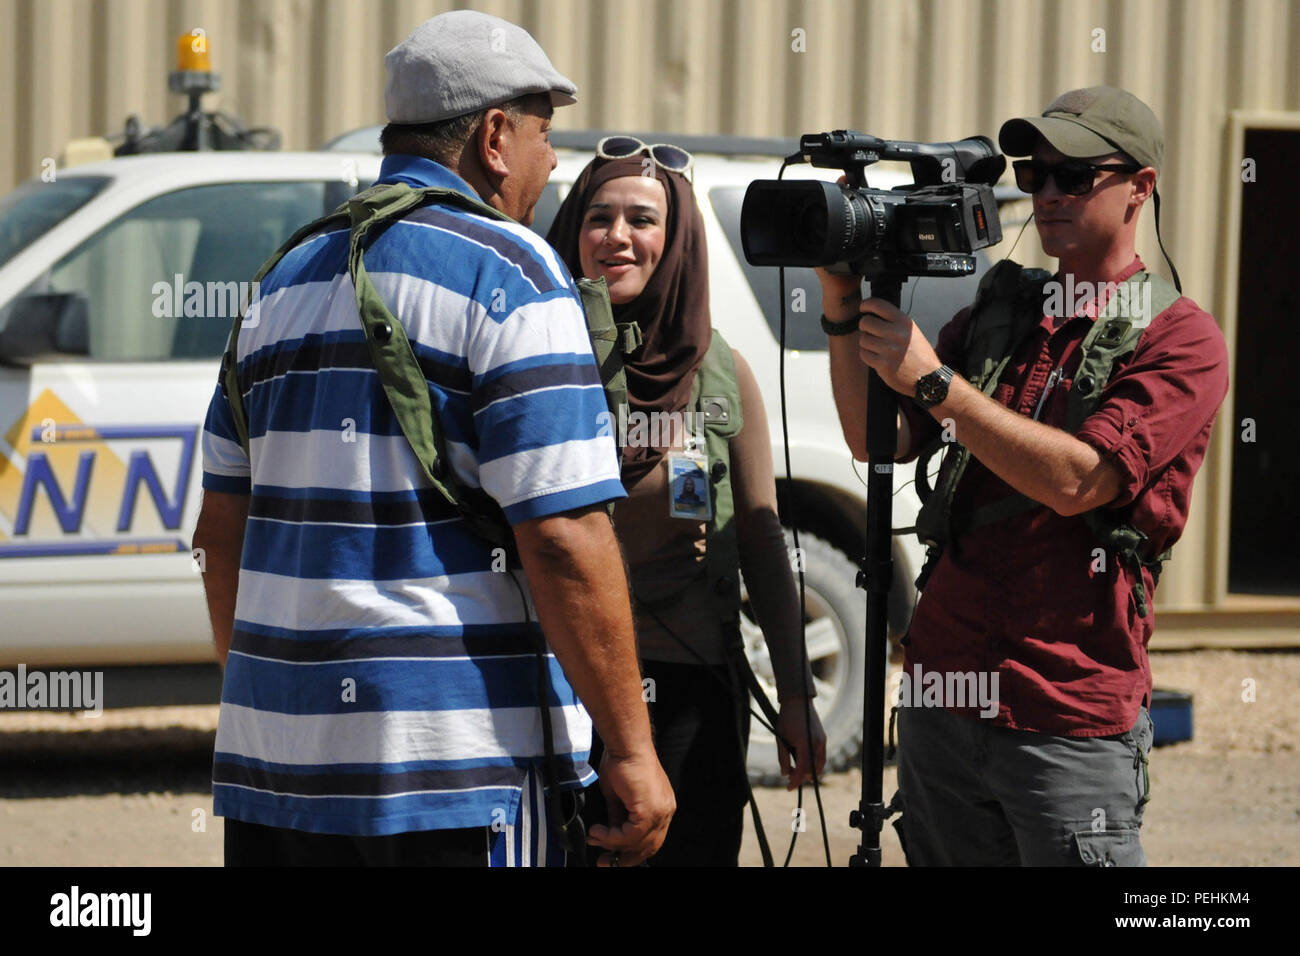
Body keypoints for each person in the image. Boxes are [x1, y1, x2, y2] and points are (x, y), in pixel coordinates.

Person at [192, 11, 672, 868]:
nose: (552, 161)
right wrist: (632, 749)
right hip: (454, 779)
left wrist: (276, 699)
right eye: (544, 134)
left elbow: (219, 531)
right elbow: (563, 534)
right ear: (495, 138)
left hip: (275, 775)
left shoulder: (280, 281)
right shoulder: (513, 269)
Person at [817, 86, 1229, 865]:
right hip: (945, 692)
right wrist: (842, 301)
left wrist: (936, 384)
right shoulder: (1003, 312)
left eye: (1074, 177)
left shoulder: (1180, 339)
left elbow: (1081, 482)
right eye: (1034, 175)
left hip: (1064, 709)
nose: (1047, 195)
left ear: (1139, 187)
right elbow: (881, 442)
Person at [547, 140, 827, 866]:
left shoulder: (720, 373)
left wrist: (796, 698)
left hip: (690, 690)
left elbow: (762, 541)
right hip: (557, 689)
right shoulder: (533, 360)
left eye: (642, 219)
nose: (616, 236)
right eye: (599, 216)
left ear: (676, 243)